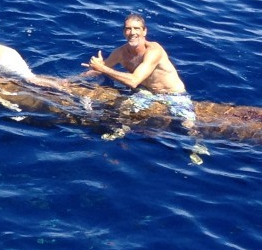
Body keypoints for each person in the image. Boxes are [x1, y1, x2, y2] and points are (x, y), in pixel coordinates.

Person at [83, 13, 207, 164]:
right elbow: (101, 68)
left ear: (144, 31)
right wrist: (73, 79)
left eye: (137, 28)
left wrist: (102, 68)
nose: (133, 32)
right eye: (128, 29)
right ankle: (122, 130)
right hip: (147, 91)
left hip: (173, 94)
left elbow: (133, 81)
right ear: (124, 32)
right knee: (124, 108)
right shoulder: (120, 52)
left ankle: (199, 146)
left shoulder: (154, 50)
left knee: (188, 125)